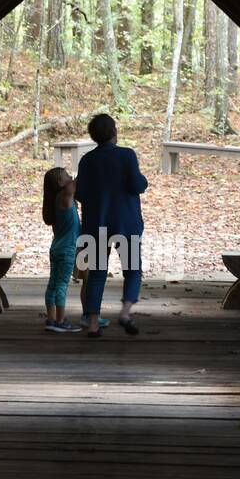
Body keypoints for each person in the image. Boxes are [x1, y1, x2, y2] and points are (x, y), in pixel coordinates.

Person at [74, 114, 148, 337]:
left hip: (97, 223)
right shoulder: (127, 155)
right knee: (132, 269)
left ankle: (94, 323)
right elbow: (136, 184)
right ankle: (125, 312)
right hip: (126, 221)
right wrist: (143, 181)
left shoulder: (87, 160)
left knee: (97, 272)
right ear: (115, 132)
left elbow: (80, 194)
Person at [40, 167, 82, 333]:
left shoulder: (56, 199)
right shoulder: (65, 196)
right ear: (60, 182)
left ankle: (51, 319)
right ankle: (60, 320)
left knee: (53, 284)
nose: (70, 176)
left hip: (57, 248)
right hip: (67, 250)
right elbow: (76, 183)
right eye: (66, 175)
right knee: (62, 285)